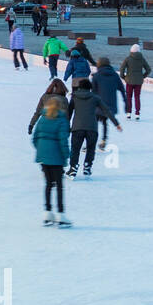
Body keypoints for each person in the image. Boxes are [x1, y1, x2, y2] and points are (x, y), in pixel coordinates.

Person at [66, 77, 120, 177]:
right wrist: (116, 123)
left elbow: (68, 113)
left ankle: (73, 168)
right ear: (90, 87)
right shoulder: (95, 98)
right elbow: (106, 110)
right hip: (92, 128)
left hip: (77, 128)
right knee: (91, 149)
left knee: (75, 149)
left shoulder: (74, 97)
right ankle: (87, 167)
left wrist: (66, 126)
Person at [32, 95, 72, 227]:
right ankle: (60, 214)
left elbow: (35, 137)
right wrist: (67, 155)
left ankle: (47, 213)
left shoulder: (42, 119)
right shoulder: (61, 121)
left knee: (49, 184)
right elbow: (63, 140)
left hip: (43, 157)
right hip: (56, 158)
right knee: (59, 186)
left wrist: (41, 150)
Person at [90, 57, 125, 149]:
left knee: (94, 123)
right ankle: (104, 140)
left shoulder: (96, 76)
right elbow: (121, 89)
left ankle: (91, 143)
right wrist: (126, 102)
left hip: (98, 104)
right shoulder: (115, 75)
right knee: (105, 121)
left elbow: (93, 91)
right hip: (111, 104)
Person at [117, 44, 151, 119]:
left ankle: (129, 113)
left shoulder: (128, 59)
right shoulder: (142, 59)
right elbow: (148, 69)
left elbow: (122, 69)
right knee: (137, 97)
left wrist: (124, 77)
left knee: (129, 97)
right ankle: (137, 114)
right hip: (139, 81)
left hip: (129, 81)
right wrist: (143, 76)